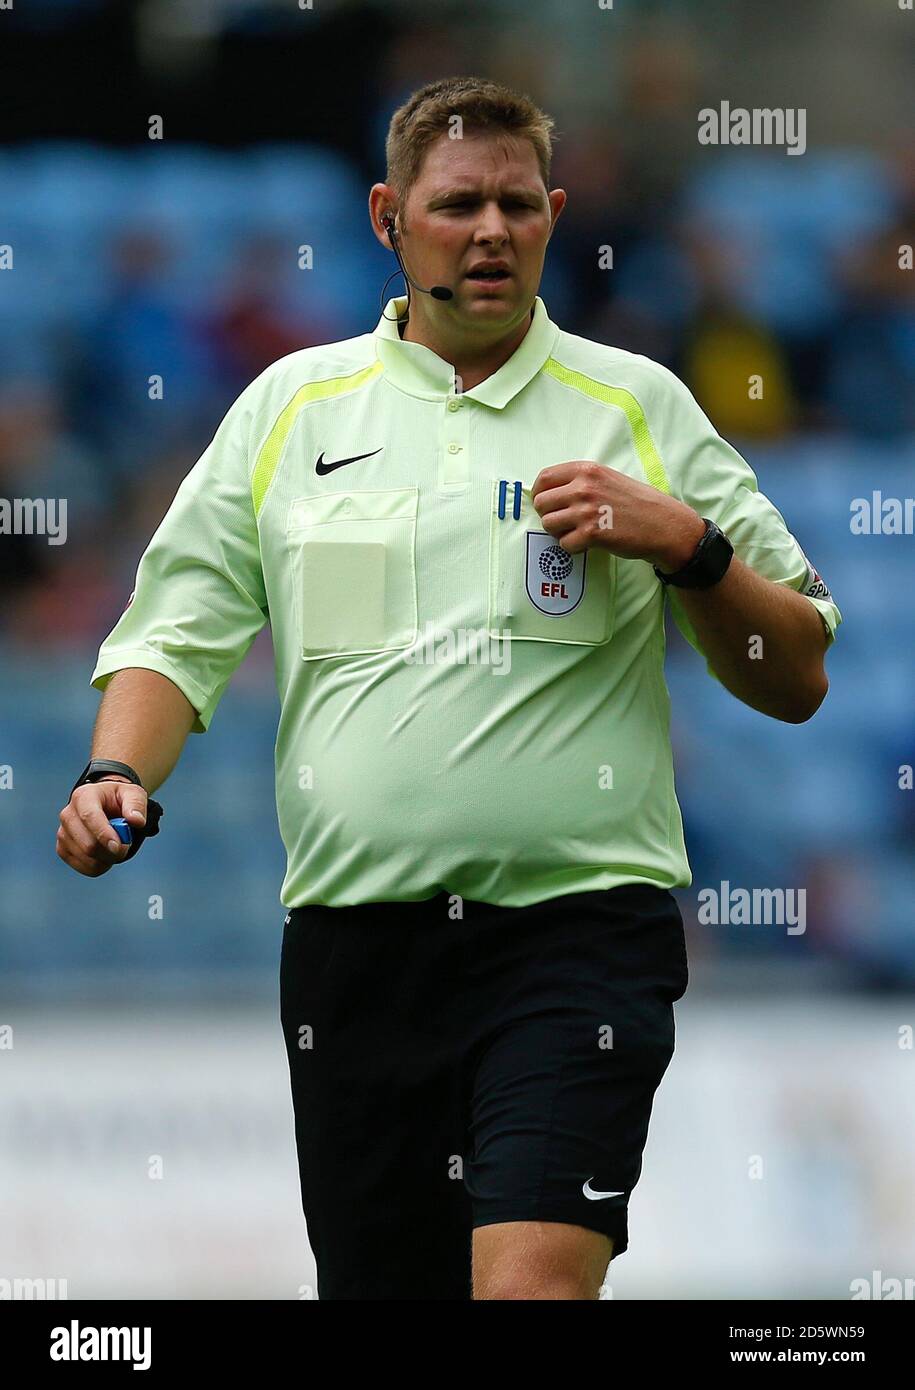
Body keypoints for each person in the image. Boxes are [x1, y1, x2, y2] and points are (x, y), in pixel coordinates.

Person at [57, 76, 842, 1300]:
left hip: (575, 936)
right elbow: (176, 632)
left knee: (530, 1288)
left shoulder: (636, 406)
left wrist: (690, 547)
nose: (491, 232)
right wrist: (115, 769)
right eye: (458, 204)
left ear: (555, 217)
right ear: (388, 217)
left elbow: (795, 676)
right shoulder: (290, 411)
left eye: (519, 206)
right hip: (356, 951)